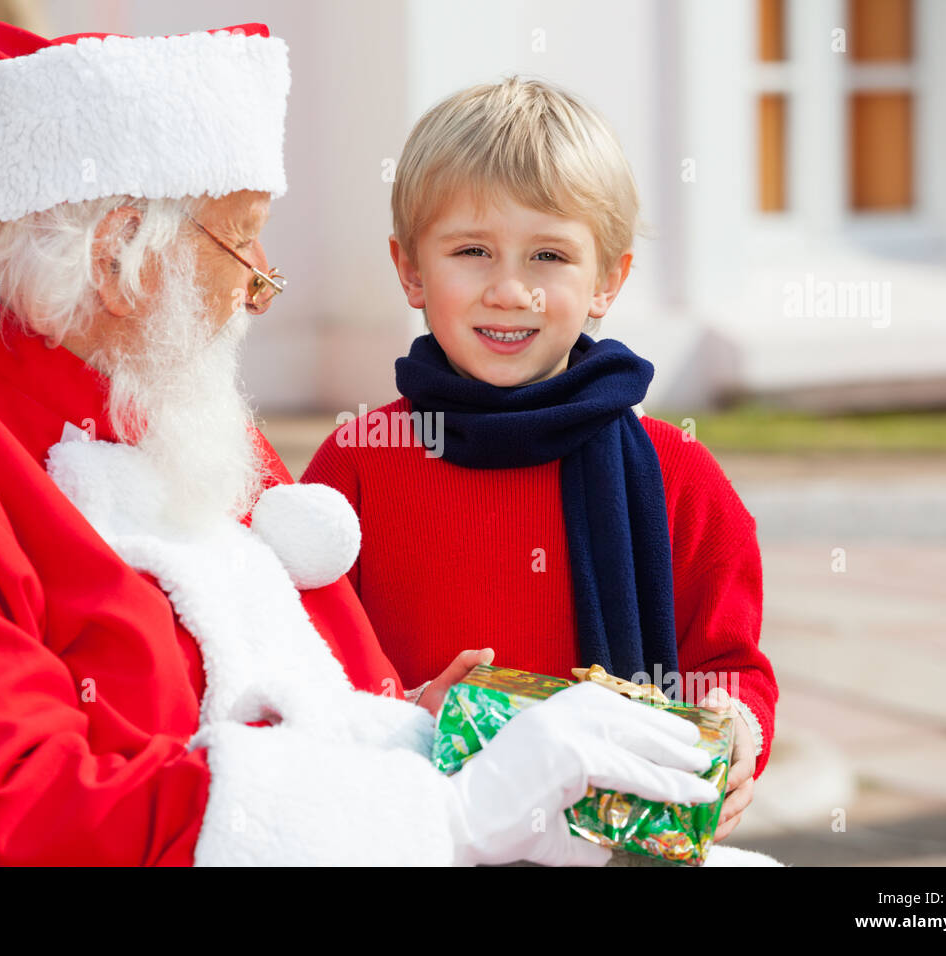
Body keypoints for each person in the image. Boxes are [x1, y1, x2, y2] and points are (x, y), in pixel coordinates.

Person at [0, 20, 730, 866]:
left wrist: (424, 733)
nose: (264, 283)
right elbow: (11, 820)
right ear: (120, 250)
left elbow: (300, 706)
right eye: (242, 238)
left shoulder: (165, 400)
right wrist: (449, 811)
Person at [302, 77, 779, 849]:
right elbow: (308, 669)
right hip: (422, 832)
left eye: (549, 255)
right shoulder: (358, 464)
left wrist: (734, 731)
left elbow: (728, 663)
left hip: (614, 841)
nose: (510, 289)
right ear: (412, 270)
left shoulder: (674, 472)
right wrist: (407, 711)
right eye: (472, 251)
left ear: (607, 281)